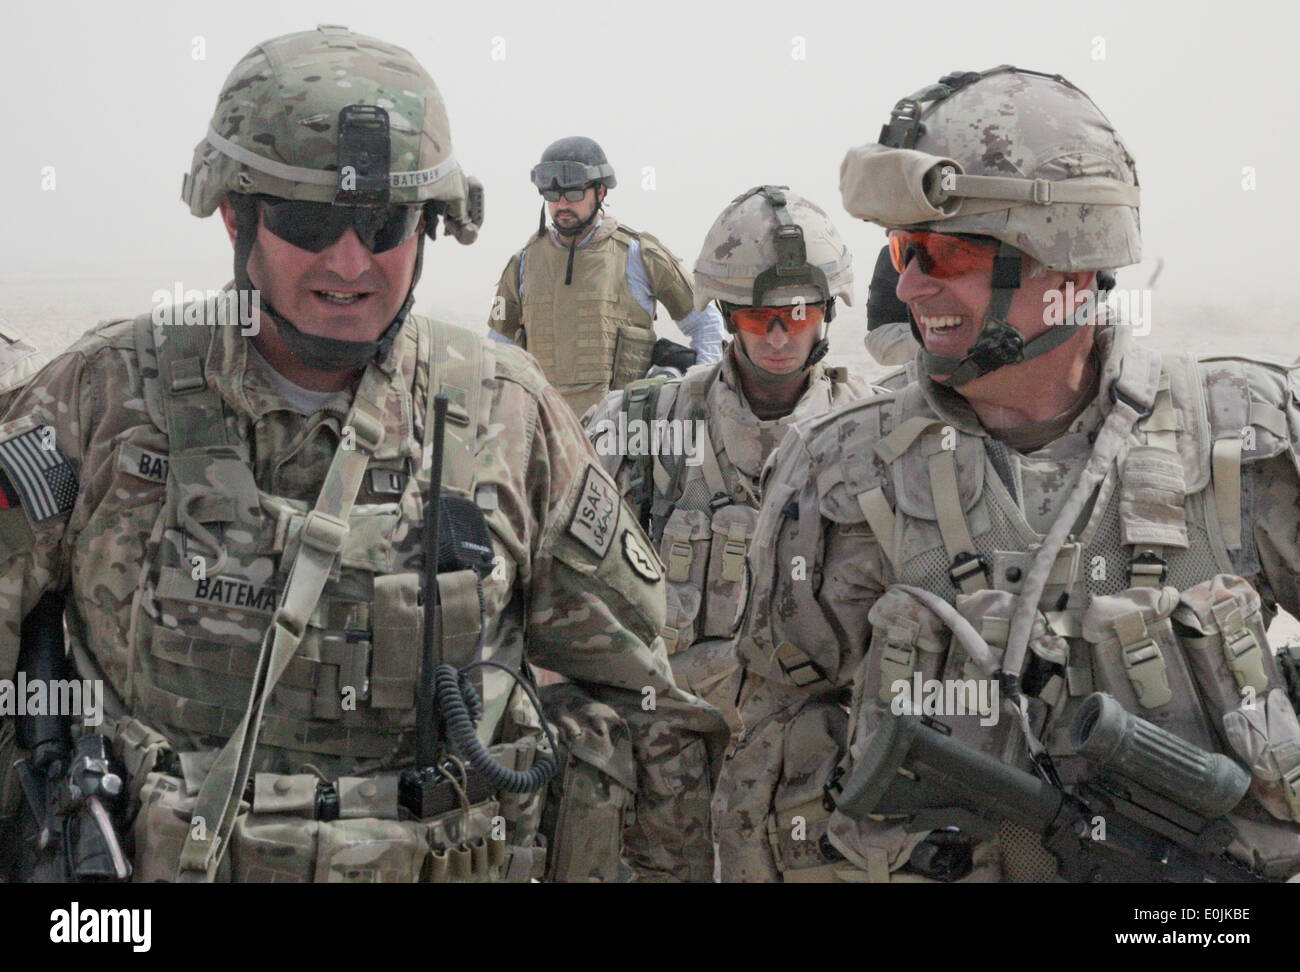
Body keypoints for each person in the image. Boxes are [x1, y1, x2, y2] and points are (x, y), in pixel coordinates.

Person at [0, 25, 724, 884]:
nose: (351, 261)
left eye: (385, 223)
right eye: (311, 220)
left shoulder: (508, 414)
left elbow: (643, 707)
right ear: (237, 215)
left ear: (428, 226)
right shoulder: (101, 398)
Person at [713, 66, 1300, 882]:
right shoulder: (836, 470)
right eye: (901, 249)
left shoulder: (1246, 436)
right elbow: (778, 742)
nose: (911, 284)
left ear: (1068, 255)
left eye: (948, 252)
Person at [583, 186, 874, 733]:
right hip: (666, 752)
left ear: (828, 311)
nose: (781, 336)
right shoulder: (641, 425)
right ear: (728, 315)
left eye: (799, 312)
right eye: (760, 318)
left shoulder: (874, 437)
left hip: (814, 766)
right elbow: (565, 587)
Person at [487, 136, 725, 416]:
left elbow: (706, 323)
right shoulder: (523, 263)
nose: (562, 204)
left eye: (573, 194)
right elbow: (496, 348)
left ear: (600, 192)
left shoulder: (639, 255)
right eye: (552, 195)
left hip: (620, 431)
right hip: (546, 432)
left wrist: (696, 397)